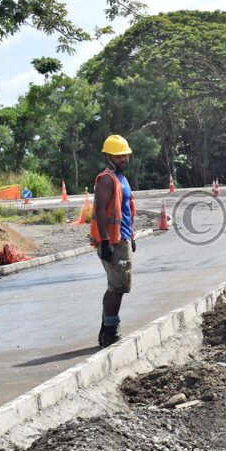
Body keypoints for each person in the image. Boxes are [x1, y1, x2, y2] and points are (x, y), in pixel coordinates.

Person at [90, 135, 136, 348]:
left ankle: (107, 329)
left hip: (123, 238)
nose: (123, 159)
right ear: (109, 156)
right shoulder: (106, 179)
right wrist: (105, 241)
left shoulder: (121, 178)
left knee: (119, 285)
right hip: (113, 241)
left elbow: (125, 210)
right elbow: (99, 210)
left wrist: (131, 236)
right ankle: (109, 332)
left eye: (125, 155)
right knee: (117, 287)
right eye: (118, 156)